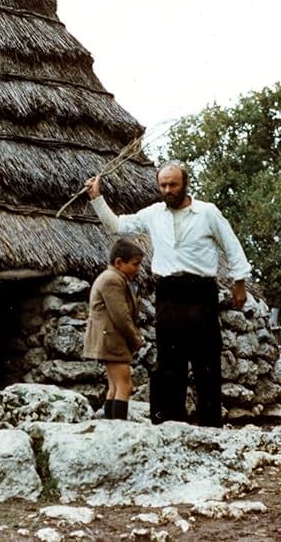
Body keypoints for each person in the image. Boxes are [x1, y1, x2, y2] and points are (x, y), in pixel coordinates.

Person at [84, 162, 251, 427]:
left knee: (206, 358)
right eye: (163, 185)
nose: (168, 190)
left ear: (185, 184)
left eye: (173, 184)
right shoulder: (153, 214)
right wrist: (97, 198)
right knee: (169, 359)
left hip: (200, 291)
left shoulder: (207, 212)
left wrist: (239, 283)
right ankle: (169, 423)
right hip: (168, 292)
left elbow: (232, 245)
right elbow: (116, 226)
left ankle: (210, 423)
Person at [83, 238, 145, 420]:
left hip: (109, 339)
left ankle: (110, 425)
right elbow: (121, 315)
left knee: (114, 387)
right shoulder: (112, 280)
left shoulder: (113, 278)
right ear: (119, 262)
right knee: (124, 386)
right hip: (113, 339)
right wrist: (136, 339)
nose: (138, 268)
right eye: (135, 264)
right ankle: (118, 428)